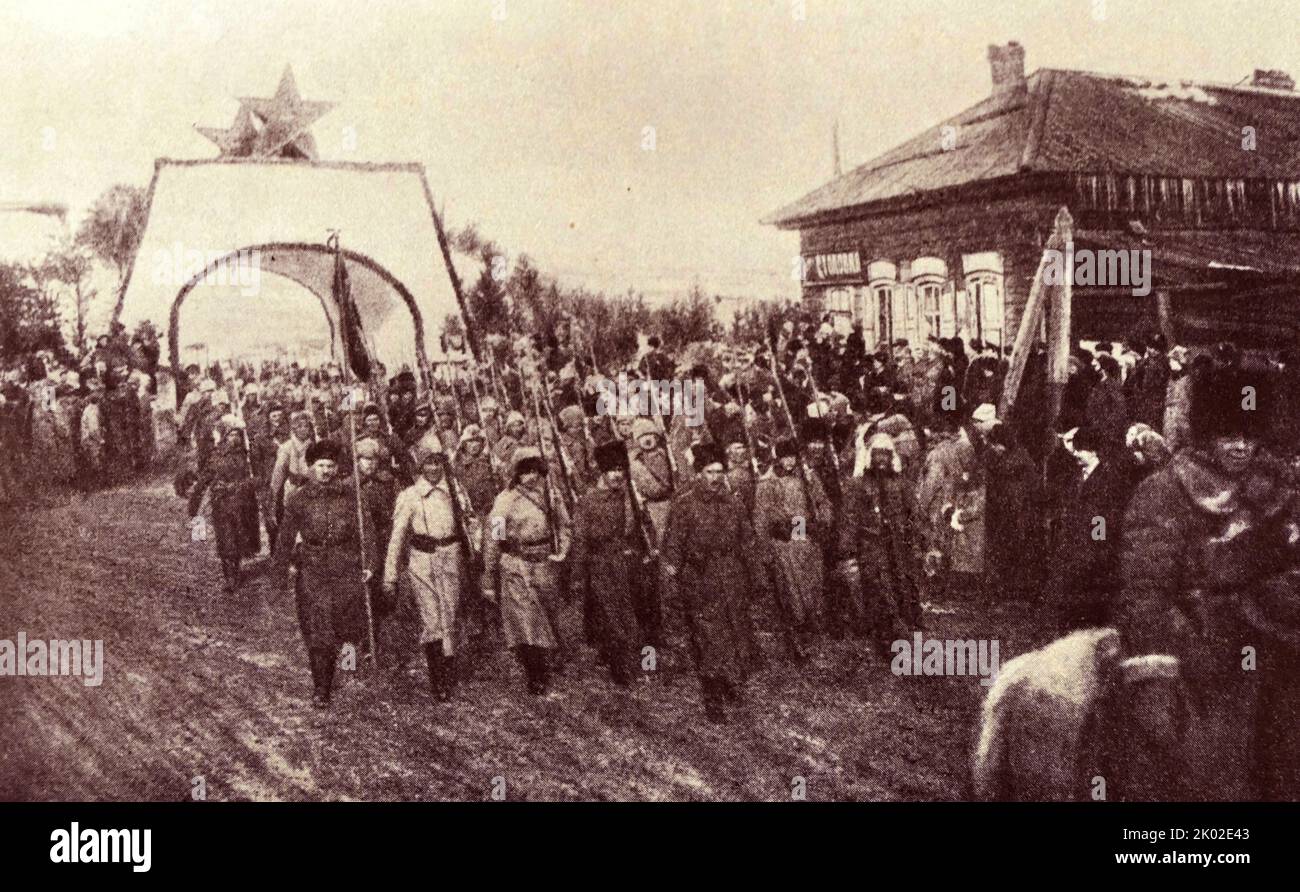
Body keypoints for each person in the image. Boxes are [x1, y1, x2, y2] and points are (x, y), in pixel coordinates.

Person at [1113, 365, 1300, 800]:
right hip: (1200, 657)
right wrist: (1155, 671)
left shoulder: (1280, 491)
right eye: (1228, 433)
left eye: (1249, 434)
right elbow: (1144, 591)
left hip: (1279, 649)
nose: (1239, 445)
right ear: (1206, 433)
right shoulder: (1165, 492)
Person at [662, 442, 764, 723]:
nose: (715, 477)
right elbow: (672, 546)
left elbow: (747, 541)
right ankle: (712, 698)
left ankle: (730, 682)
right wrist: (671, 584)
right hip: (700, 580)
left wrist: (756, 577)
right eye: (709, 472)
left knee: (734, 633)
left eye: (720, 471)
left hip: (732, 579)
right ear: (698, 474)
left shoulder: (734, 503)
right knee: (708, 641)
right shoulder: (684, 505)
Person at [273, 439, 376, 708]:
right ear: (311, 467)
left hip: (346, 567)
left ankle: (349, 670)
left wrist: (370, 563)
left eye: (331, 466)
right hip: (314, 571)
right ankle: (322, 688)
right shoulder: (299, 498)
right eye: (320, 466)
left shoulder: (351, 496)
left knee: (349, 627)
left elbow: (368, 533)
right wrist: (279, 571)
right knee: (319, 632)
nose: (326, 471)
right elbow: (285, 537)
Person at [383, 434, 469, 702]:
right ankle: (438, 680)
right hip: (422, 560)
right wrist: (390, 576)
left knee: (450, 615)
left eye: (438, 462)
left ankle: (448, 667)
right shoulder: (410, 496)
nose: (434, 468)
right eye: (428, 463)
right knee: (432, 618)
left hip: (451, 557)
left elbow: (469, 521)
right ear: (420, 467)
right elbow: (397, 537)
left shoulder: (455, 490)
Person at [481, 447, 571, 696]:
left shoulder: (552, 495)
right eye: (525, 472)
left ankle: (547, 663)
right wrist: (489, 574)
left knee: (548, 617)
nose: (531, 477)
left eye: (535, 470)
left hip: (544, 563)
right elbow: (494, 538)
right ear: (516, 474)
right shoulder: (504, 500)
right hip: (516, 565)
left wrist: (561, 551)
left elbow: (564, 526)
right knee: (528, 622)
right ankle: (537, 679)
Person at [570, 440, 649, 687]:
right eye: (612, 470)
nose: (617, 475)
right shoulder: (589, 501)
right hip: (602, 565)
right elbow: (580, 539)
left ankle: (641, 663)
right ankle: (620, 668)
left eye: (620, 470)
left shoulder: (631, 499)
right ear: (603, 473)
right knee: (611, 615)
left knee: (634, 613)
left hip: (629, 562)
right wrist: (578, 575)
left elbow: (645, 527)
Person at [753, 436, 832, 648]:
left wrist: (823, 521)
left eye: (792, 458)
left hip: (808, 535)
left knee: (812, 578)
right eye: (785, 458)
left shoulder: (807, 477)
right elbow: (762, 517)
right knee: (792, 582)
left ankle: (815, 618)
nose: (789, 462)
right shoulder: (768, 482)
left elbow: (822, 501)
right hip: (786, 538)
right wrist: (765, 549)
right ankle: (799, 624)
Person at [187, 414, 260, 593]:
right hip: (223, 506)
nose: (234, 438)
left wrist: (243, 485)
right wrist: (194, 504)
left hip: (243, 504)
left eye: (237, 435)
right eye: (230, 435)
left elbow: (258, 479)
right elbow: (204, 480)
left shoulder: (247, 457)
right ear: (224, 436)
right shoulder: (216, 456)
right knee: (227, 540)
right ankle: (230, 577)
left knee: (240, 538)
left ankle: (236, 568)